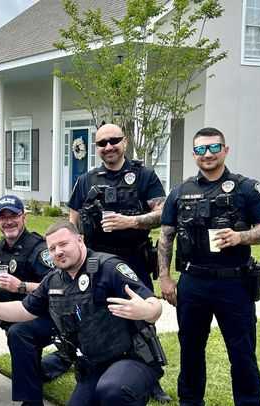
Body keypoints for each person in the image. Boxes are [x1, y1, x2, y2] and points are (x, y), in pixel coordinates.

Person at [0, 221, 165, 406]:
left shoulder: (108, 268)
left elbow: (154, 305)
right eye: (52, 248)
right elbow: (24, 310)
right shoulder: (54, 280)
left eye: (63, 244)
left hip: (130, 358)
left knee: (113, 390)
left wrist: (146, 311)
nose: (58, 252)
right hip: (93, 365)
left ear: (80, 240)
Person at [158, 127, 260, 406]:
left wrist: (241, 237)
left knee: (242, 352)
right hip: (192, 283)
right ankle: (190, 402)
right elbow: (166, 237)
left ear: (225, 150)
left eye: (213, 148)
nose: (207, 154)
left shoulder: (246, 188)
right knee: (190, 349)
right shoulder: (179, 192)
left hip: (234, 283)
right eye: (200, 150)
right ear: (193, 155)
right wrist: (164, 277)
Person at [68, 123, 171, 402]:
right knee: (97, 314)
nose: (108, 147)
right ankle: (99, 368)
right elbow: (73, 219)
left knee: (142, 317)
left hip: (132, 258)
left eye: (114, 141)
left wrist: (131, 221)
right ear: (97, 148)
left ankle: (149, 375)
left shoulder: (143, 175)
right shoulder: (87, 179)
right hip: (96, 263)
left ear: (124, 142)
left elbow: (163, 213)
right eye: (102, 143)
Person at [0, 195, 71, 406]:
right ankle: (60, 361)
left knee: (19, 334)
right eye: (2, 217)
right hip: (16, 314)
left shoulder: (39, 249)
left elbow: (60, 287)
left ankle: (31, 402)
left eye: (13, 215)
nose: (8, 222)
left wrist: (21, 286)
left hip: (51, 315)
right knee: (26, 356)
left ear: (23, 217)